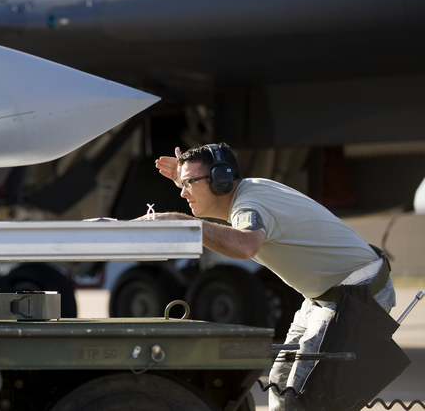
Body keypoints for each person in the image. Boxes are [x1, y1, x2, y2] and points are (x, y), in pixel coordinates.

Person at [136, 143, 396, 411]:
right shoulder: (249, 190)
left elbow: (245, 246)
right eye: (182, 183)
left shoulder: (249, 205)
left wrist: (182, 223)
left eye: (190, 183)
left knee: (306, 394)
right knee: (282, 382)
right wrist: (189, 179)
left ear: (220, 180)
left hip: (356, 292)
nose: (182, 192)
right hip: (327, 294)